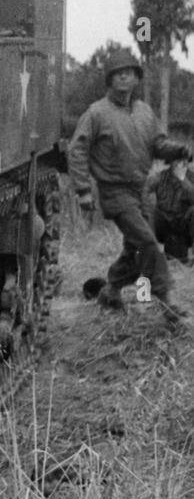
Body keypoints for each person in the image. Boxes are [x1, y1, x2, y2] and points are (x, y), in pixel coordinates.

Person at [68, 50, 189, 329]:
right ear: (109, 79)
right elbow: (77, 149)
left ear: (136, 78)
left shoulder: (144, 111)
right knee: (147, 242)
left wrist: (179, 149)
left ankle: (110, 290)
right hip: (114, 192)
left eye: (130, 72)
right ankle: (167, 298)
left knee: (136, 247)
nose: (125, 76)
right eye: (118, 72)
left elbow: (158, 144)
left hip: (142, 189)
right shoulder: (96, 112)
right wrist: (83, 190)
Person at [147, 155, 194, 262]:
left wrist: (183, 180)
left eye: (184, 160)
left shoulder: (191, 177)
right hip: (164, 224)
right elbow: (143, 190)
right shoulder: (159, 177)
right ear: (171, 162)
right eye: (177, 160)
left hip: (184, 226)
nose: (181, 164)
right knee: (148, 211)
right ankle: (147, 254)